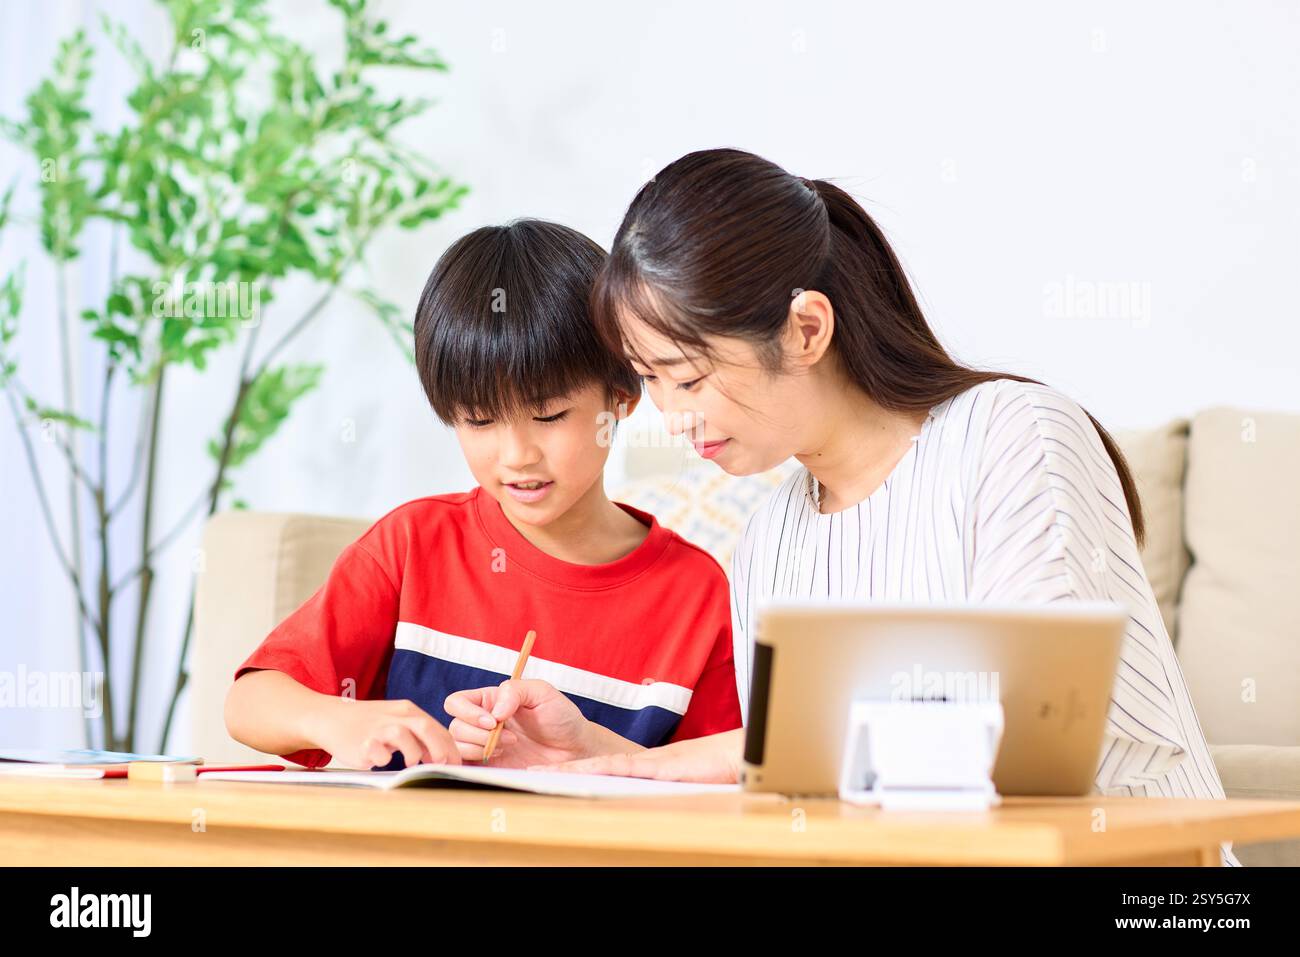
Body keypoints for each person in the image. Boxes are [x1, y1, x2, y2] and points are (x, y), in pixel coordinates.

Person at [444, 151, 1239, 866]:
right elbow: (792, 787)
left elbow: (1029, 750)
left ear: (806, 329)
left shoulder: (1012, 436)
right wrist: (591, 762)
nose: (671, 415)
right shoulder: (773, 536)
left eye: (687, 377)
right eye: (649, 379)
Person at [224, 219, 742, 772]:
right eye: (480, 420)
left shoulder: (697, 599)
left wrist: (596, 753)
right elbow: (248, 704)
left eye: (549, 415)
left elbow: (719, 789)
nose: (516, 454)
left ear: (620, 396)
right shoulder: (413, 546)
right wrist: (337, 720)